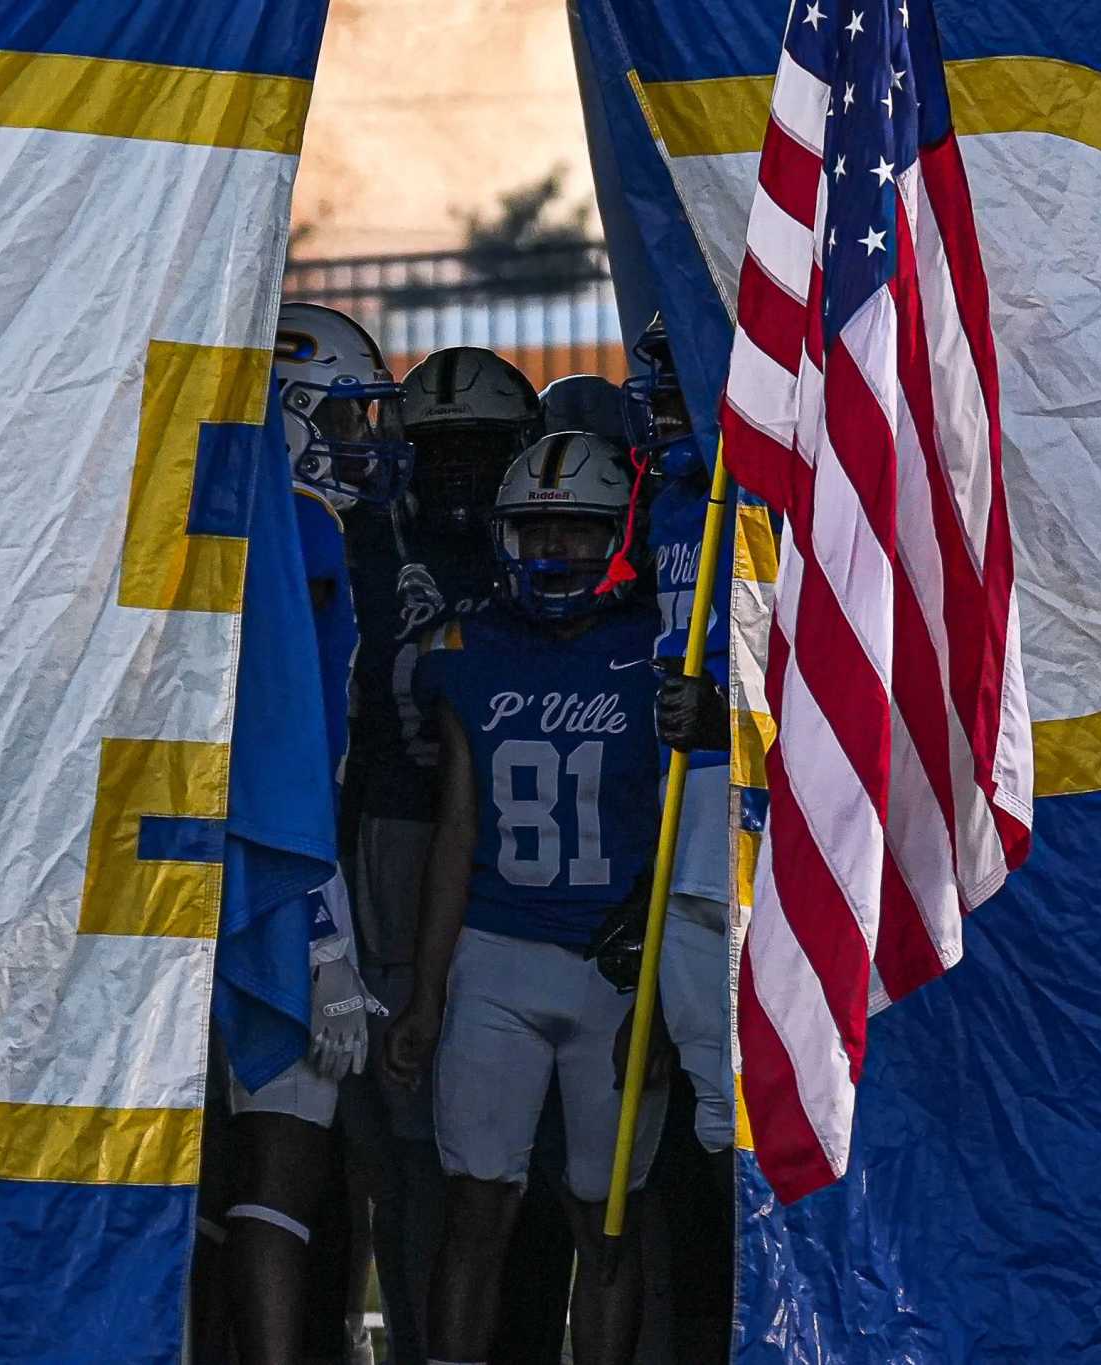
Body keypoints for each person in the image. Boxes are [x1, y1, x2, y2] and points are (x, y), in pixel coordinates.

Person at [384, 430, 671, 1365]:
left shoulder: (654, 648)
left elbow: (687, 831)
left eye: (580, 532)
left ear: (620, 536)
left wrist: (666, 990)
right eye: (536, 529)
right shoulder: (468, 648)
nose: (554, 553)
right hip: (496, 953)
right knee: (476, 1206)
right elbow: (457, 833)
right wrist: (426, 995)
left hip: (616, 965)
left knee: (607, 1219)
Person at [202, 301, 408, 1365]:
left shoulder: (210, 510)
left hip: (174, 880)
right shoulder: (307, 534)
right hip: (276, 882)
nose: (359, 444)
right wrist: (326, 946)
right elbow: (295, 755)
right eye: (342, 415)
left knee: (187, 1180)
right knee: (282, 1171)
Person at [340, 345, 543, 1365]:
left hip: (522, 854)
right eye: (440, 451)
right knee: (409, 1135)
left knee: (517, 1146)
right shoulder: (365, 542)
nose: (460, 473)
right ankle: (426, 1343)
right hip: (402, 831)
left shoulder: (557, 546)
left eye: (482, 451)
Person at [634, 319, 738, 1364]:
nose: (656, 396)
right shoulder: (667, 498)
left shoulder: (768, 495)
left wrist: (735, 726)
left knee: (758, 1093)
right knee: (706, 1094)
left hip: (752, 824)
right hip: (681, 828)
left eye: (675, 374)